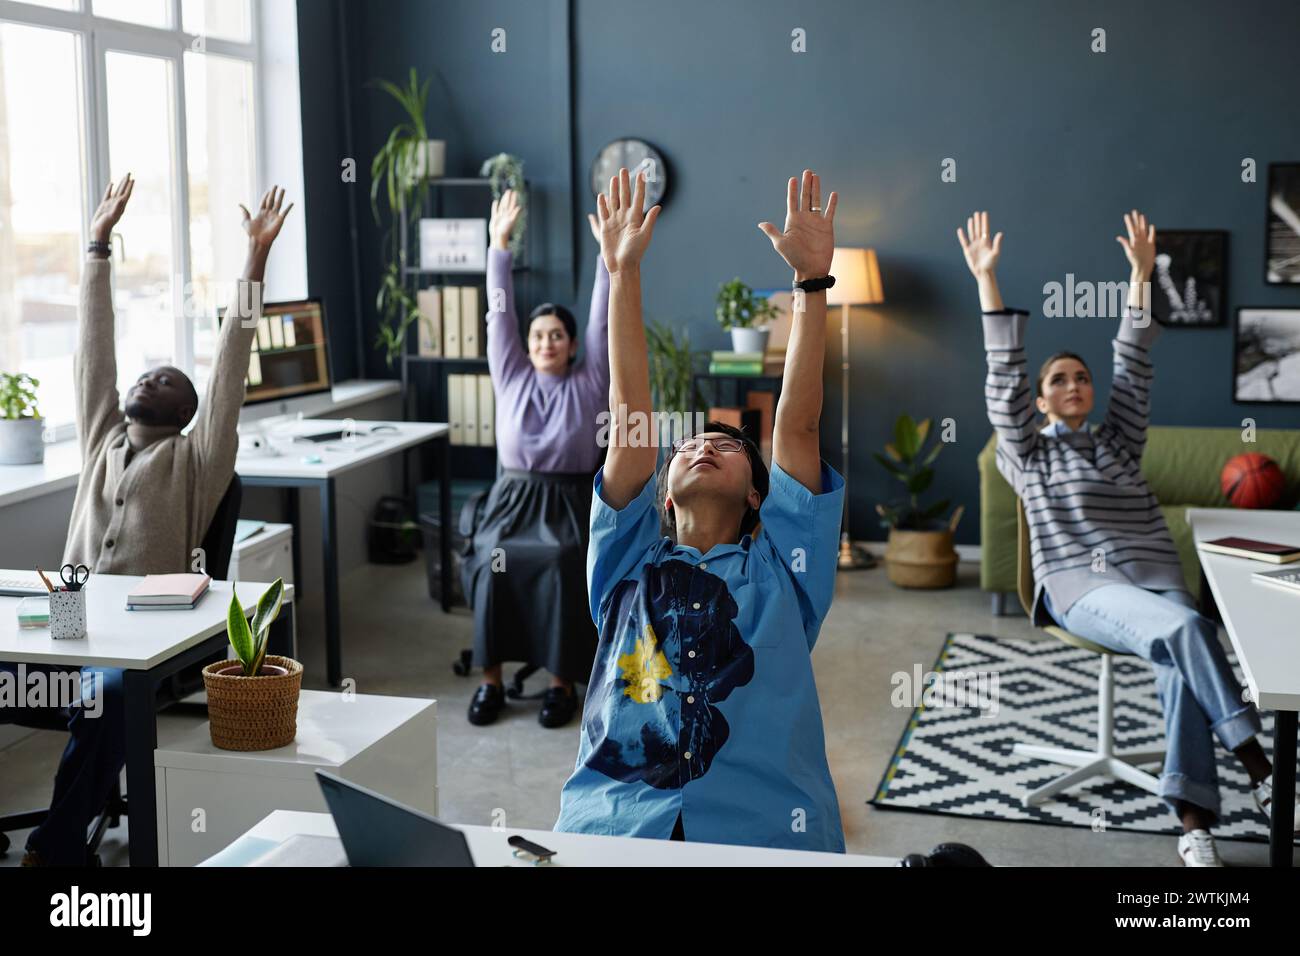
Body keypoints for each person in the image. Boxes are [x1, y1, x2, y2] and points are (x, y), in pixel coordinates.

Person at [963, 208, 1300, 866]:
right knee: (1187, 633)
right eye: (1058, 379)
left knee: (1180, 663)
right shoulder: (1026, 452)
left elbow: (1135, 358)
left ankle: (1194, 826)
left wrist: (1142, 274)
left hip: (1155, 579)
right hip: (1079, 585)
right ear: (1039, 401)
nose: (1073, 384)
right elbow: (1004, 379)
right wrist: (987, 282)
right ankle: (1263, 769)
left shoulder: (1120, 440)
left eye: (1081, 376)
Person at [554, 168, 847, 851]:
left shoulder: (786, 566)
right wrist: (621, 272)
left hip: (767, 830)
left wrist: (811, 284)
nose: (703, 447)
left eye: (726, 445)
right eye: (689, 444)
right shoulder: (629, 561)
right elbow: (629, 419)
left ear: (758, 492)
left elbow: (798, 428)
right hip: (616, 821)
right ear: (660, 491)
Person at [3, 175, 291, 866]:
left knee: (102, 699)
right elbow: (94, 350)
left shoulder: (197, 459)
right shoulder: (102, 436)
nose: (145, 381)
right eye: (145, 376)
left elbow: (230, 360)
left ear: (189, 412)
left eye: (166, 380)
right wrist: (97, 246)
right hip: (62, 632)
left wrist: (254, 262)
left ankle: (58, 845)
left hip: (135, 648)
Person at [460, 189, 610, 729]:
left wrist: (608, 257)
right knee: (493, 555)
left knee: (565, 560)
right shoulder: (512, 372)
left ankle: (559, 683)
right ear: (525, 345)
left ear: (572, 345)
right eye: (538, 335)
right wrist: (498, 246)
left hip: (569, 501)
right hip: (513, 497)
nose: (547, 341)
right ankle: (490, 681)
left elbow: (603, 317)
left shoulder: (592, 381)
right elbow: (498, 312)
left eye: (557, 335)